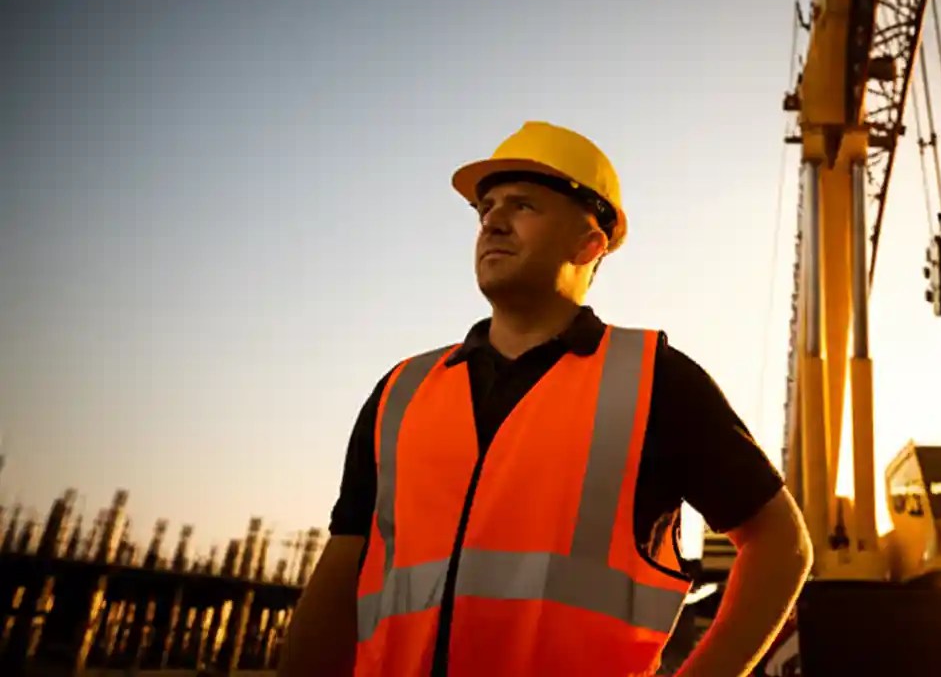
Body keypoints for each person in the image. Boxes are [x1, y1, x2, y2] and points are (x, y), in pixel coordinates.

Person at [278, 121, 813, 677]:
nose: (494, 223)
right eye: (486, 208)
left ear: (590, 243)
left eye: (524, 205)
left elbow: (780, 542)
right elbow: (344, 567)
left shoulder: (657, 382)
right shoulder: (402, 390)